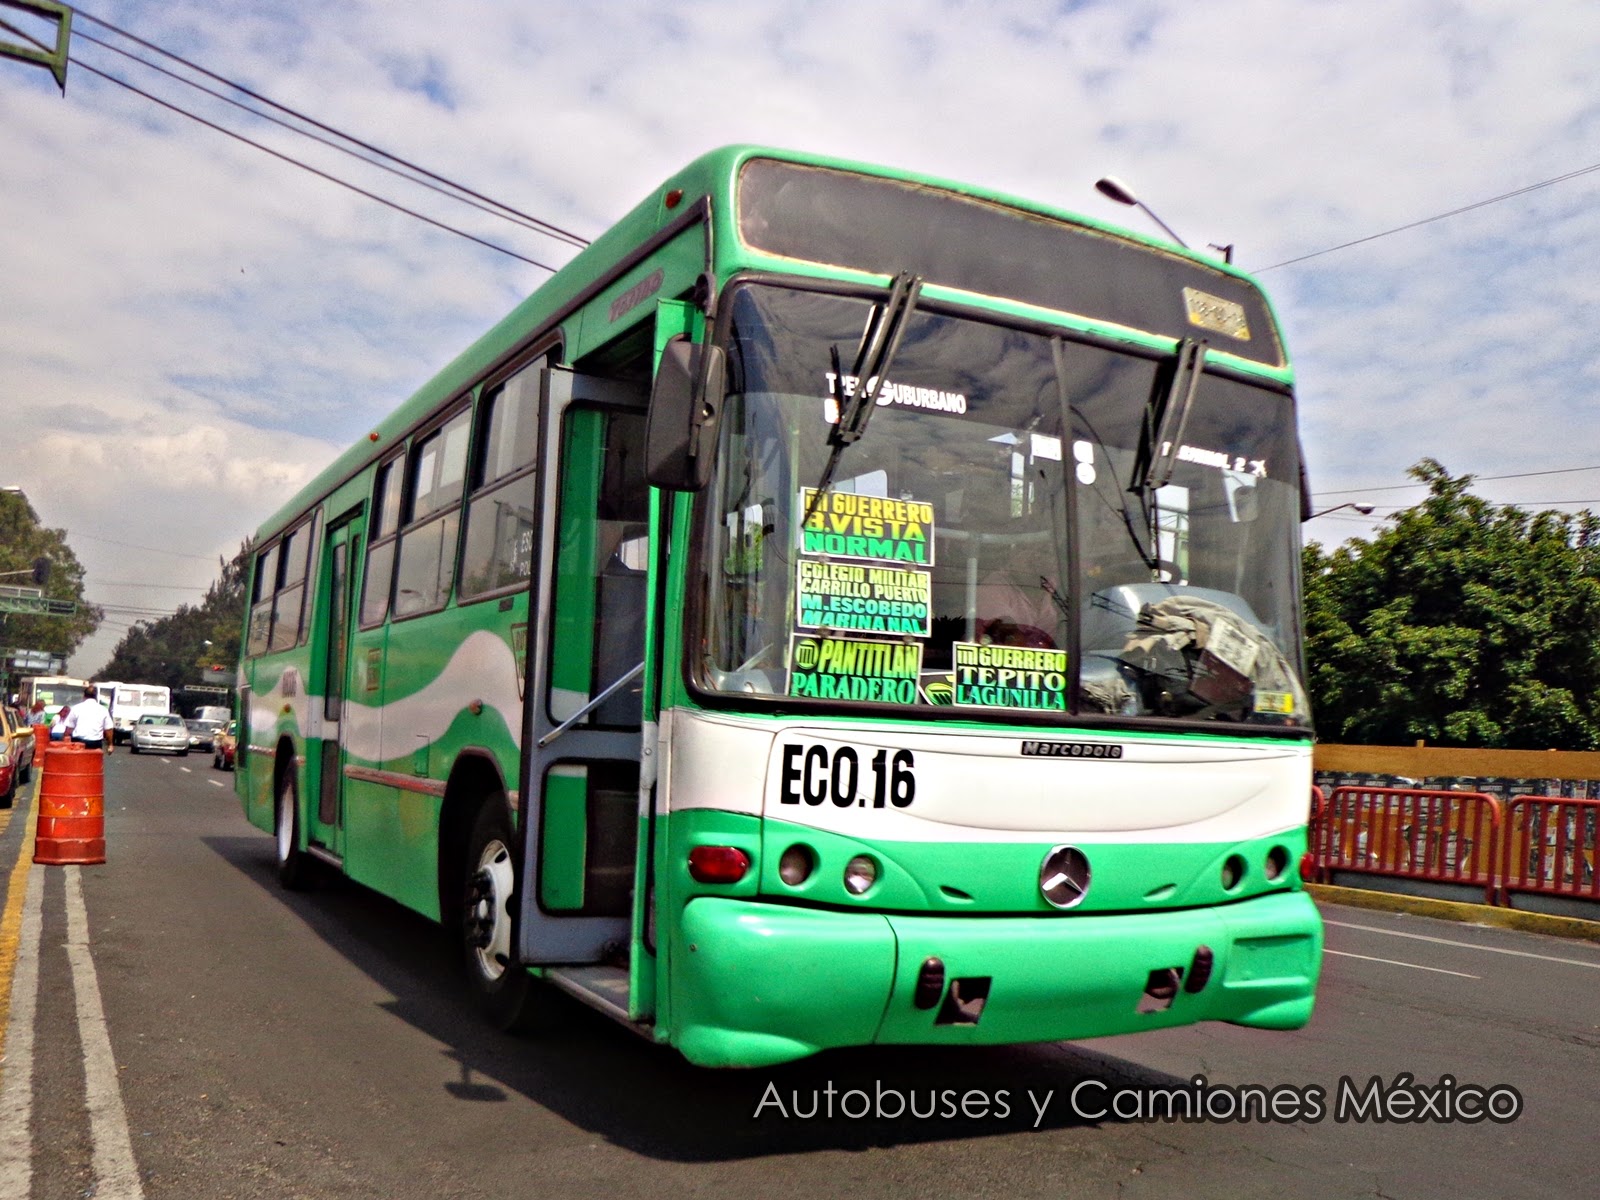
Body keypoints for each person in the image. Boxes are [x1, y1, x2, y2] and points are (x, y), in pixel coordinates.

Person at [63, 685, 115, 753]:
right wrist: (110, 745)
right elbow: (109, 729)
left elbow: (69, 729)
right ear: (96, 697)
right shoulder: (103, 710)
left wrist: (64, 743)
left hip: (78, 743)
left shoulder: (76, 708)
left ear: (84, 696)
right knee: (94, 762)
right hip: (95, 743)